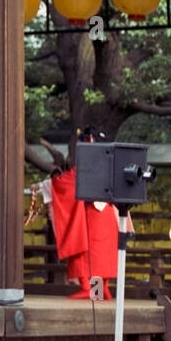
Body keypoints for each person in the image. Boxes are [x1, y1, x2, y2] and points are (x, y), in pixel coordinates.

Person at [41, 126, 119, 300]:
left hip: (92, 213)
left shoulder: (87, 164)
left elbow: (66, 183)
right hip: (108, 213)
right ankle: (101, 289)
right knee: (103, 251)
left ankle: (89, 288)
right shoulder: (111, 162)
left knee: (85, 249)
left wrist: (50, 184)